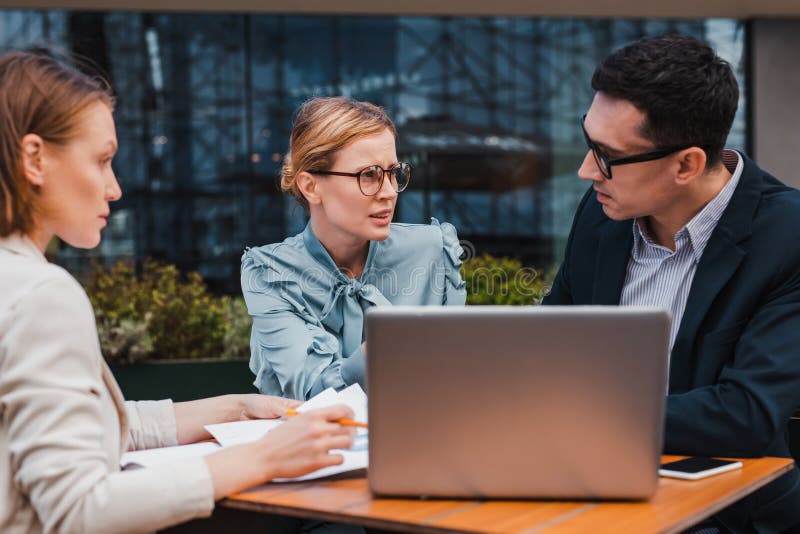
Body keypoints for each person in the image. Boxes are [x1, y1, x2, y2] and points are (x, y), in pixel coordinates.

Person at [0, 49, 356, 533]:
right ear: (35, 158)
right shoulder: (41, 295)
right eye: (102, 161)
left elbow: (82, 429)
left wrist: (235, 408)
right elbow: (80, 509)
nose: (115, 188)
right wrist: (263, 459)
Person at [543, 34, 800, 533]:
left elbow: (744, 415)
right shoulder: (603, 214)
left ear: (687, 164)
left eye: (606, 154)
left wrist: (582, 420)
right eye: (587, 140)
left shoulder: (788, 237)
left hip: (726, 514)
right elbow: (554, 342)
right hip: (585, 489)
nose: (584, 170)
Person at [241, 97, 466, 400]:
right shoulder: (269, 273)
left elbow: (455, 379)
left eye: (393, 173)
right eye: (369, 175)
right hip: (315, 444)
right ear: (311, 187)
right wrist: (386, 345)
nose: (388, 192)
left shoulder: (432, 250)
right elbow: (314, 395)